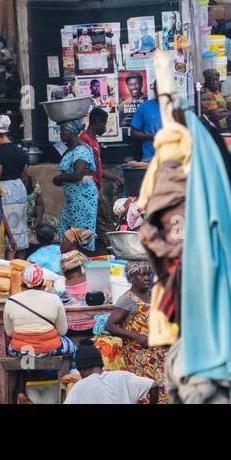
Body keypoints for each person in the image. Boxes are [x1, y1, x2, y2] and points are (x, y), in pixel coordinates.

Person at [98, 259, 168, 397]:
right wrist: (137, 336)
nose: (147, 278)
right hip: (139, 356)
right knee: (145, 392)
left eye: (148, 274)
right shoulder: (127, 299)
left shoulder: (153, 295)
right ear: (130, 278)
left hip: (159, 354)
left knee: (163, 391)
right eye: (141, 275)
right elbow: (110, 325)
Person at [2, 262, 73, 356]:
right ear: (42, 281)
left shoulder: (11, 301)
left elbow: (10, 332)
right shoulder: (55, 299)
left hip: (21, 350)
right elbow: (63, 331)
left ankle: (25, 369)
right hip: (49, 348)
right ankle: (72, 370)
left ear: (22, 281)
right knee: (72, 346)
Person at [65, 341, 157, 404]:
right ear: (100, 364)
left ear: (83, 370)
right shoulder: (122, 376)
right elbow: (154, 386)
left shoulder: (80, 387)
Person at [54, 118, 99, 239]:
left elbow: (78, 174)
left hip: (83, 198)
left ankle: (82, 257)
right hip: (73, 199)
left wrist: (60, 178)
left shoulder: (81, 150)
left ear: (70, 132)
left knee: (80, 236)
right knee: (66, 234)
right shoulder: (71, 150)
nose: (60, 134)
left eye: (63, 131)